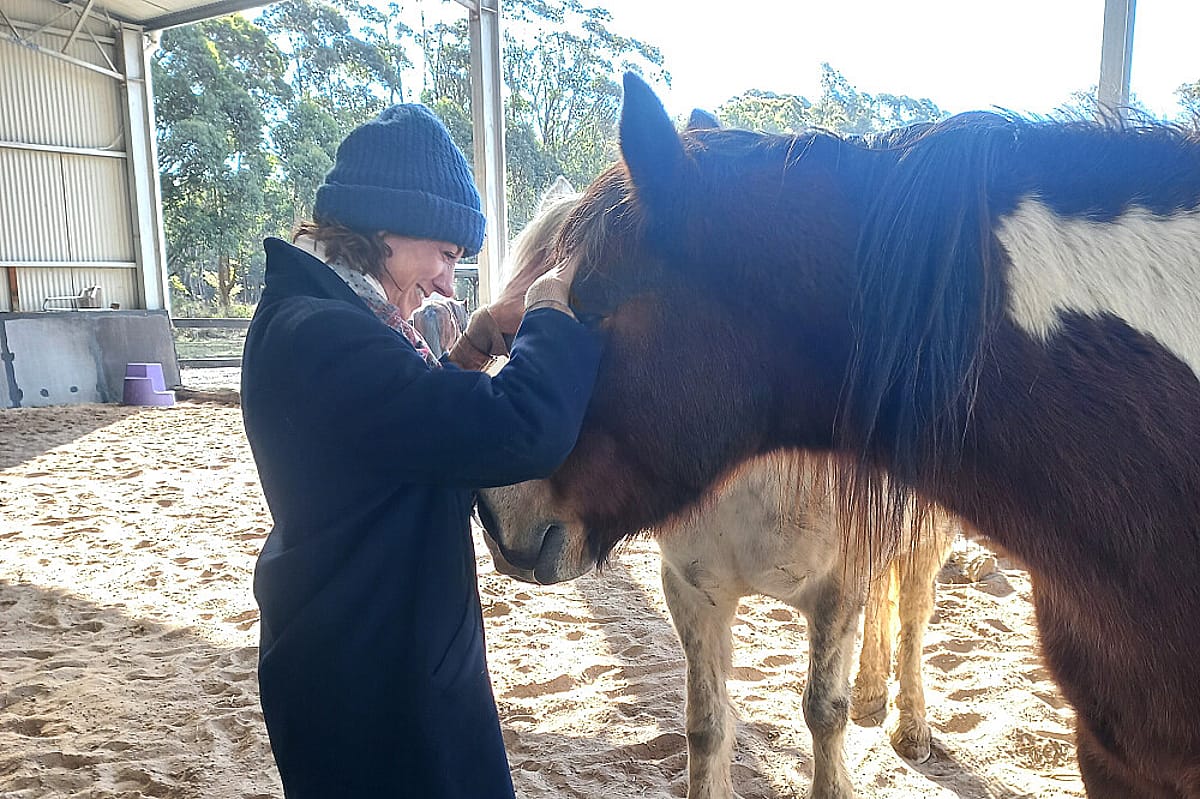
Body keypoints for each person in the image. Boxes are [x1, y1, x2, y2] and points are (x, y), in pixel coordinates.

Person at [240, 103, 600, 798]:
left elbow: (406, 437)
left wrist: (473, 346)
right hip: (380, 688)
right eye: (446, 254)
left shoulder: (319, 319)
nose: (445, 282)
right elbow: (526, 427)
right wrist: (552, 305)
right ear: (386, 229)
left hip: (366, 648)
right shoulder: (326, 338)